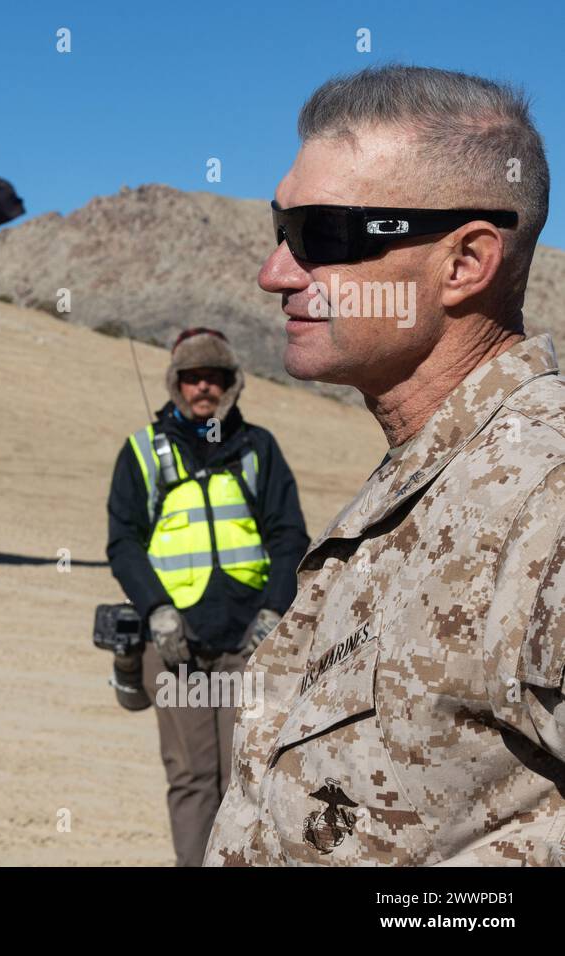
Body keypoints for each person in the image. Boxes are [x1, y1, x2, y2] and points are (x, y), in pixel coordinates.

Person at [206, 65, 562, 865]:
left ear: (466, 264)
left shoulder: (546, 496)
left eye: (323, 236)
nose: (277, 273)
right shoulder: (426, 478)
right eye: (280, 229)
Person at [107, 327, 309, 866]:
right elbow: (123, 542)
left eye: (214, 379)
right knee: (194, 777)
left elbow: (289, 535)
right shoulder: (143, 452)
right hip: (176, 647)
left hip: (249, 642)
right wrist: (158, 611)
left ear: (231, 385)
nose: (203, 388)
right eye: (191, 378)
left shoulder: (257, 448)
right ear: (175, 385)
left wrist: (272, 610)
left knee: (252, 771)